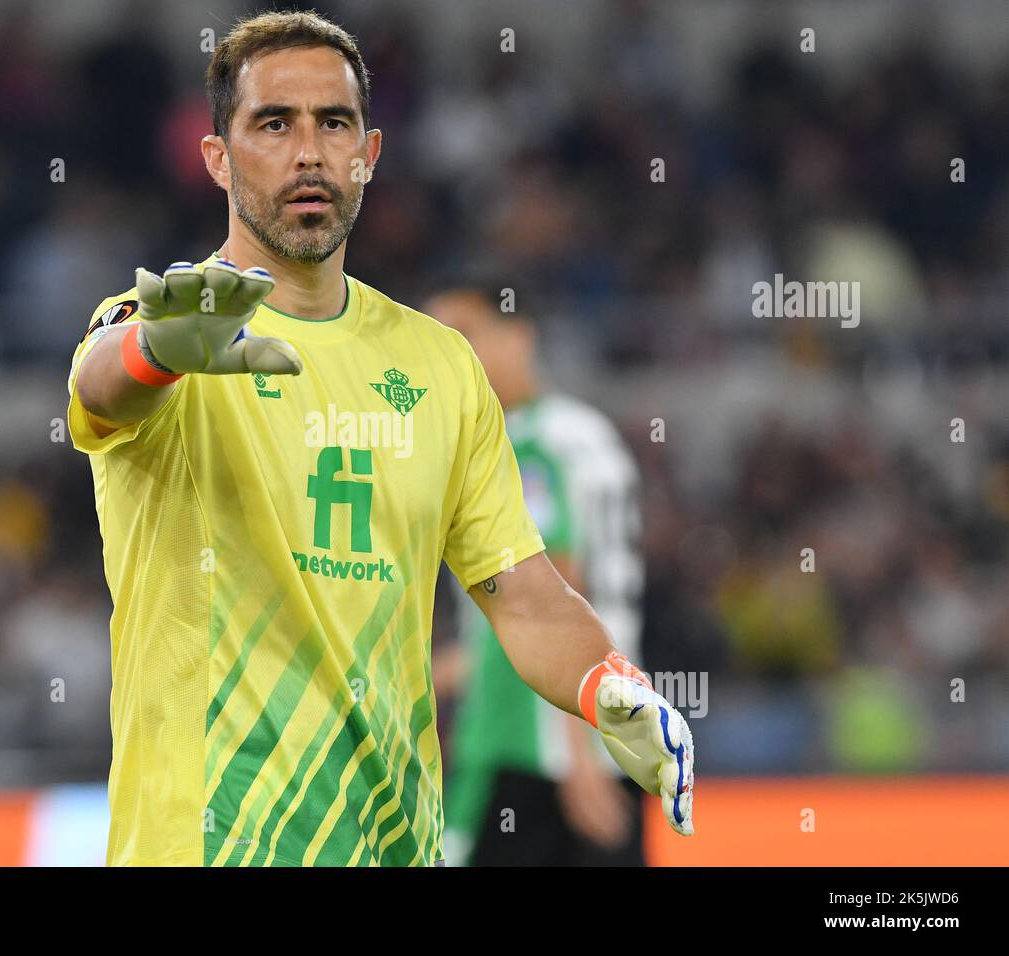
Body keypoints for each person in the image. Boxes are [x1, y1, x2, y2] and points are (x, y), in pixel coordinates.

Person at [65, 10, 692, 867]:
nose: (309, 152)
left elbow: (527, 596)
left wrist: (608, 683)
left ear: (371, 152)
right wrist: (158, 349)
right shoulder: (165, 328)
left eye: (335, 122)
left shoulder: (441, 366)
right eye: (273, 123)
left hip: (392, 845)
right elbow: (102, 385)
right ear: (217, 158)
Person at [428, 281, 648, 866]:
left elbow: (552, 602)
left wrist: (575, 756)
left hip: (537, 745)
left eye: (464, 333)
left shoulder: (527, 447)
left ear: (519, 336)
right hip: (612, 727)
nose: (449, 351)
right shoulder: (587, 434)